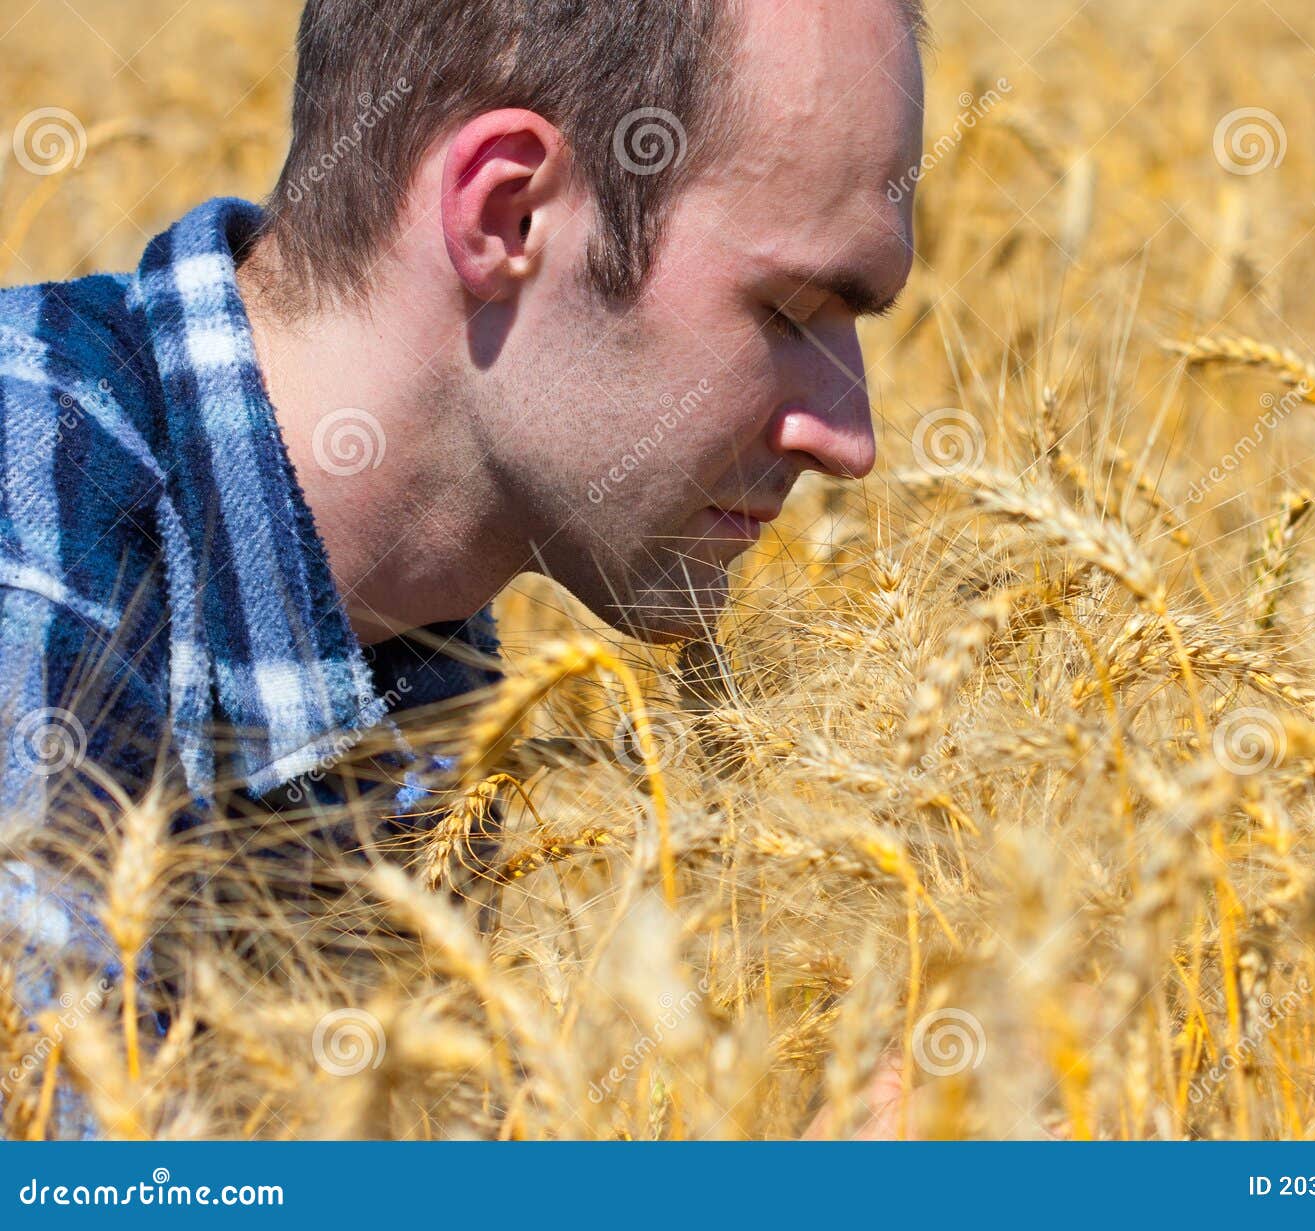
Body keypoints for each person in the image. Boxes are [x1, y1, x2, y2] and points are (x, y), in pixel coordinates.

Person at [0, 0, 926, 1137]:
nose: (852, 436)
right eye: (790, 311)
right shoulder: (29, 542)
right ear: (507, 211)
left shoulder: (424, 653)